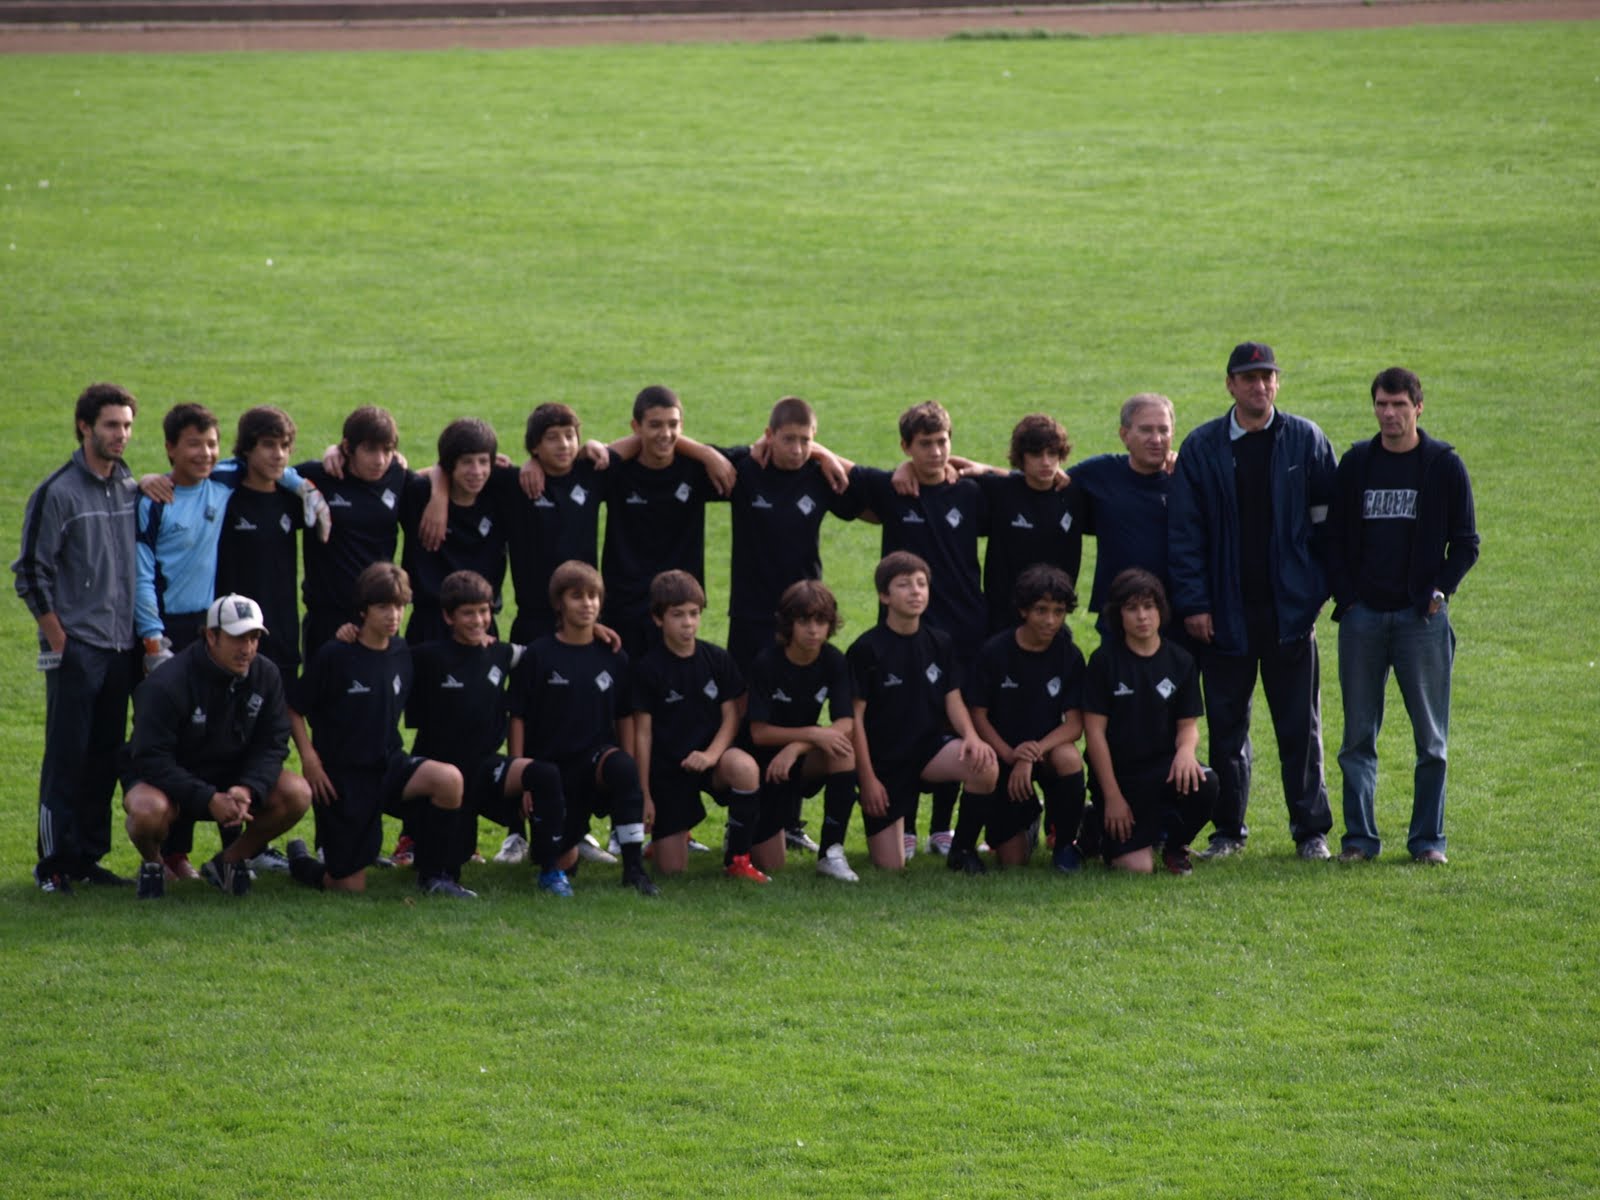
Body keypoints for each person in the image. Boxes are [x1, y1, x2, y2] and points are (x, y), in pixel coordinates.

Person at [1168, 342, 1338, 860]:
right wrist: (1195, 605)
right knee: (1226, 727)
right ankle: (1228, 831)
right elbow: (1185, 534)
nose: (1259, 386)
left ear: (1276, 383)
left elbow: (1329, 527)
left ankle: (1310, 831)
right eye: (1248, 378)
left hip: (1289, 614)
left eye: (1267, 377)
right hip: (1223, 616)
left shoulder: (1306, 440)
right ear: (1230, 385)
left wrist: (1312, 594)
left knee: (1300, 727)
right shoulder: (1202, 448)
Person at [1327, 367, 1479, 865]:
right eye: (1381, 405)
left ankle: (1427, 842)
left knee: (1431, 740)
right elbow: (1331, 540)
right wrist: (1347, 599)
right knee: (1357, 738)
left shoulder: (1442, 465)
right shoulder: (1356, 464)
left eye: (1398, 405)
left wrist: (1440, 591)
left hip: (1421, 620)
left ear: (1419, 407)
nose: (1389, 414)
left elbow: (1466, 543)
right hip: (1363, 618)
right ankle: (1359, 840)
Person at [13, 383, 142, 893]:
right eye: (112, 425)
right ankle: (52, 863)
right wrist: (58, 640)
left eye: (128, 426)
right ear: (85, 427)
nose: (122, 435)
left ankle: (87, 856)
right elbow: (31, 572)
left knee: (105, 755)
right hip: (77, 648)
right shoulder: (58, 492)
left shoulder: (129, 486)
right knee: (66, 755)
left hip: (120, 648)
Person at [851, 401, 989, 857]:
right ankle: (904, 823)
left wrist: (971, 465)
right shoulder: (894, 490)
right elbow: (836, 464)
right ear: (906, 447)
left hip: (964, 631)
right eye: (925, 444)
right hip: (902, 634)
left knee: (954, 721)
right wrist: (898, 470)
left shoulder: (970, 493)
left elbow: (1024, 482)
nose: (935, 452)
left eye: (943, 442)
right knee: (901, 722)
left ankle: (943, 829)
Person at [286, 563, 473, 897]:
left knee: (449, 780)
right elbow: (293, 706)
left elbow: (453, 653)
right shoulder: (335, 654)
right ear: (363, 610)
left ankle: (433, 875)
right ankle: (301, 861)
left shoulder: (402, 651)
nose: (394, 615)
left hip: (390, 765)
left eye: (399, 606)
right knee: (348, 886)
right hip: (345, 776)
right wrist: (310, 759)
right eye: (384, 607)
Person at [120, 594, 312, 899]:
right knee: (147, 811)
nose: (247, 648)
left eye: (254, 638)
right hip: (170, 782)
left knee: (298, 792)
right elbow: (150, 758)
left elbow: (274, 743)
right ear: (211, 636)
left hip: (232, 780)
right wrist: (207, 798)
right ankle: (156, 865)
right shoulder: (166, 683)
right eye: (237, 638)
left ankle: (228, 861)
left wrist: (248, 789)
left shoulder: (267, 675)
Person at [406, 570, 571, 894]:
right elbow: (381, 656)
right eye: (468, 613)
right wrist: (350, 632)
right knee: (451, 862)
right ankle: (433, 863)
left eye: (484, 611)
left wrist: (596, 631)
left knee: (545, 774)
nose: (478, 620)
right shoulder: (427, 657)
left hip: (486, 768)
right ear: (448, 616)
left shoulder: (503, 653)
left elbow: (549, 652)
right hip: (442, 774)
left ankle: (550, 869)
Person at [507, 560, 660, 896]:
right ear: (559, 603)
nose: (587, 603)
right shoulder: (538, 655)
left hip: (597, 763)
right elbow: (517, 716)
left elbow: (624, 716)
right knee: (563, 862)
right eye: (578, 596)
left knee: (621, 766)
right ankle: (556, 847)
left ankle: (633, 868)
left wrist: (631, 772)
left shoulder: (614, 656)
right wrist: (521, 777)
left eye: (594, 596)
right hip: (552, 772)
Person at [846, 552, 999, 873]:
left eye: (921, 584)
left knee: (984, 765)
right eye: (904, 585)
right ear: (884, 596)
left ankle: (962, 851)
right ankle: (899, 827)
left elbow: (953, 698)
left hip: (930, 751)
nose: (916, 592)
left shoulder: (940, 642)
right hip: (885, 763)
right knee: (890, 866)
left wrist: (972, 737)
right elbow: (855, 719)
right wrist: (868, 778)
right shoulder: (866, 649)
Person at [629, 571, 765, 881]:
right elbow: (642, 734)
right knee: (673, 870)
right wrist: (645, 793)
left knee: (745, 767)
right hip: (669, 770)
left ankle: (738, 859)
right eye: (678, 615)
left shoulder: (716, 659)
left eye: (694, 614)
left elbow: (732, 716)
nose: (688, 623)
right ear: (658, 618)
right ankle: (666, 838)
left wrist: (712, 755)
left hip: (711, 763)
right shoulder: (648, 669)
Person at [1082, 570, 1218, 875]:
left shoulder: (1180, 660)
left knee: (1206, 782)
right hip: (1120, 777)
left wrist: (1185, 753)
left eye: (1149, 606)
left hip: (1163, 770)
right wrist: (1113, 797)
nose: (1142, 616)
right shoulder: (1104, 662)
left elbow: (1188, 726)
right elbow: (1094, 733)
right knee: (1137, 867)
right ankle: (1096, 821)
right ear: (1118, 615)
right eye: (1132, 608)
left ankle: (1174, 846)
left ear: (1161, 610)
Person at [599, 386, 732, 660]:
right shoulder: (617, 473)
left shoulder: (697, 470)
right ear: (636, 427)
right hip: (624, 606)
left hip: (678, 607)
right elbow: (580, 464)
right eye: (655, 425)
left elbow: (766, 449)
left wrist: (821, 454)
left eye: (673, 425)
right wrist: (703, 450)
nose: (666, 434)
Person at [969, 565, 1088, 870]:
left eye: (1059, 611)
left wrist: (1033, 751)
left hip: (1045, 753)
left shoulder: (1069, 655)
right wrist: (1010, 754)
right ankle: (1030, 820)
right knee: (1012, 862)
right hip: (1003, 755)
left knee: (1069, 758)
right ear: (1023, 610)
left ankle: (1065, 845)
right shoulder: (994, 652)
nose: (1050, 620)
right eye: (1041, 610)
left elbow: (1074, 725)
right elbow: (978, 716)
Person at [743, 580, 859, 882]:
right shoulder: (766, 663)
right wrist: (812, 734)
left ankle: (831, 852)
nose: (813, 630)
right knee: (773, 864)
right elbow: (758, 733)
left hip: (800, 758)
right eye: (804, 621)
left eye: (821, 621)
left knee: (844, 750)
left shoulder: (834, 660)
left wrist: (799, 745)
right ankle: (743, 825)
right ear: (788, 624)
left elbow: (846, 722)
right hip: (765, 765)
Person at [1069, 393, 1179, 635]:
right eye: (1146, 430)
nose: (1156, 439)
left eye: (1164, 430)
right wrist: (988, 470)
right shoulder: (1100, 474)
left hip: (1176, 615)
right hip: (1118, 613)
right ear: (1124, 435)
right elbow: (1044, 480)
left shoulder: (1185, 478)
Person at [401, 418, 509, 647]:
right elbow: (390, 474)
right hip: (430, 625)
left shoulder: (500, 491)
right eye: (467, 462)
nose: (477, 471)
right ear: (450, 466)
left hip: (482, 622)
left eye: (483, 462)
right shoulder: (419, 495)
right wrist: (439, 494)